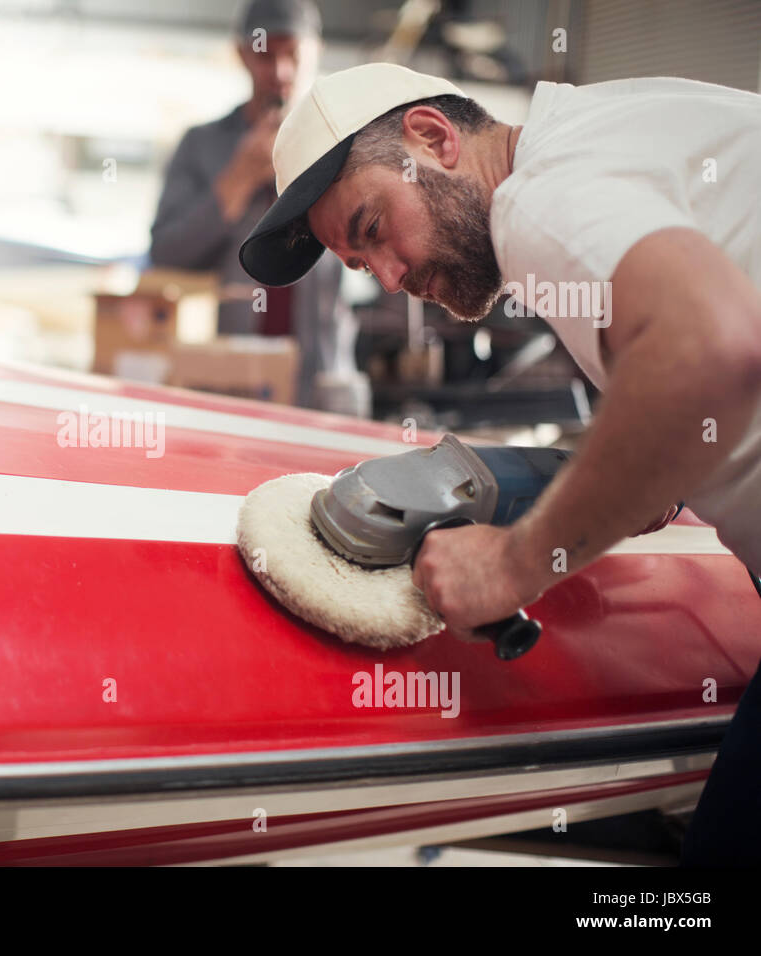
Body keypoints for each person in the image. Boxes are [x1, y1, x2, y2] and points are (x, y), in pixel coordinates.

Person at [238, 61, 761, 865]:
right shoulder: (607, 128)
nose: (390, 278)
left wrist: (515, 564)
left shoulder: (539, 198)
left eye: (374, 229)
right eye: (359, 267)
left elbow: (711, 346)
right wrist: (620, 477)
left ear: (433, 137)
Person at [149, 0, 361, 411]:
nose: (280, 72)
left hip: (323, 387)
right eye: (265, 55)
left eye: (293, 55)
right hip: (227, 383)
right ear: (242, 55)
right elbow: (165, 254)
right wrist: (238, 179)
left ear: (315, 54)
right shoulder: (201, 146)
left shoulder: (345, 144)